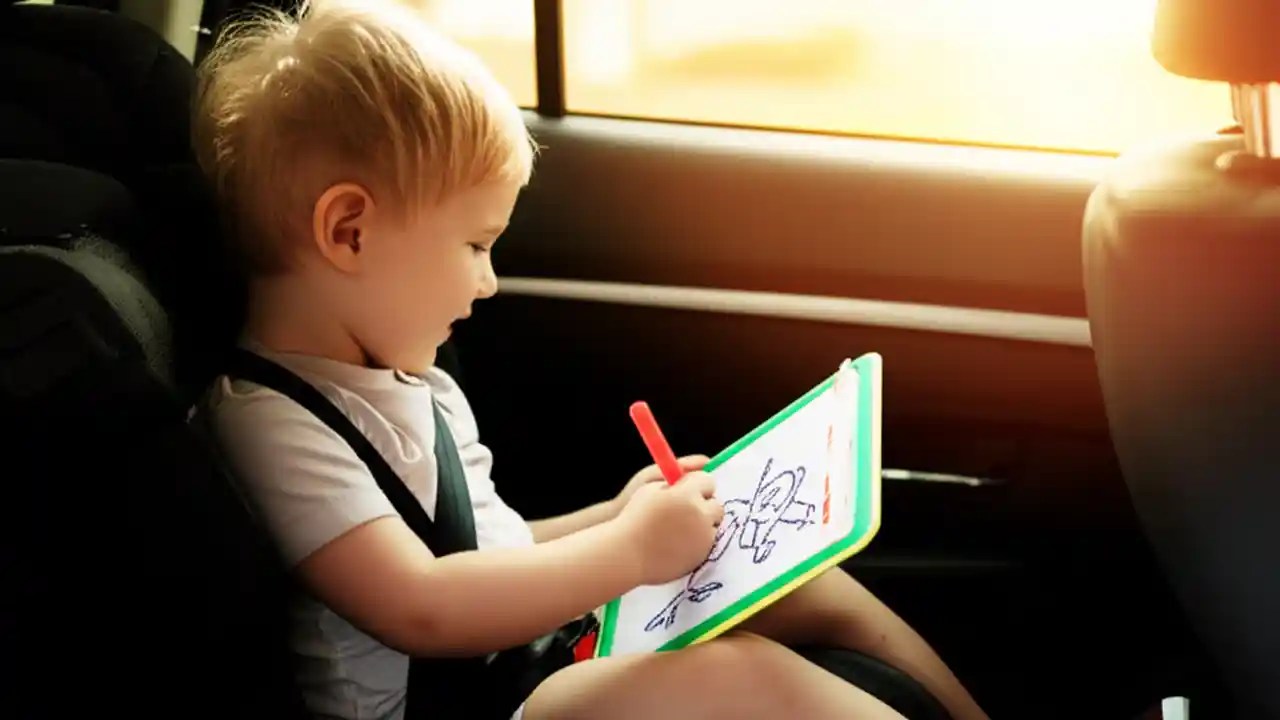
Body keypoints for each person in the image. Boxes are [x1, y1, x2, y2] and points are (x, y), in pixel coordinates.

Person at [192, 1, 990, 718]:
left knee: (786, 581)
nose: (488, 281)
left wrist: (615, 515)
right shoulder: (270, 423)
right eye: (475, 245)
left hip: (516, 664)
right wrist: (631, 551)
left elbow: (491, 553)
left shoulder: (410, 382)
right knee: (734, 674)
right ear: (350, 232)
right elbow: (424, 604)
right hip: (458, 703)